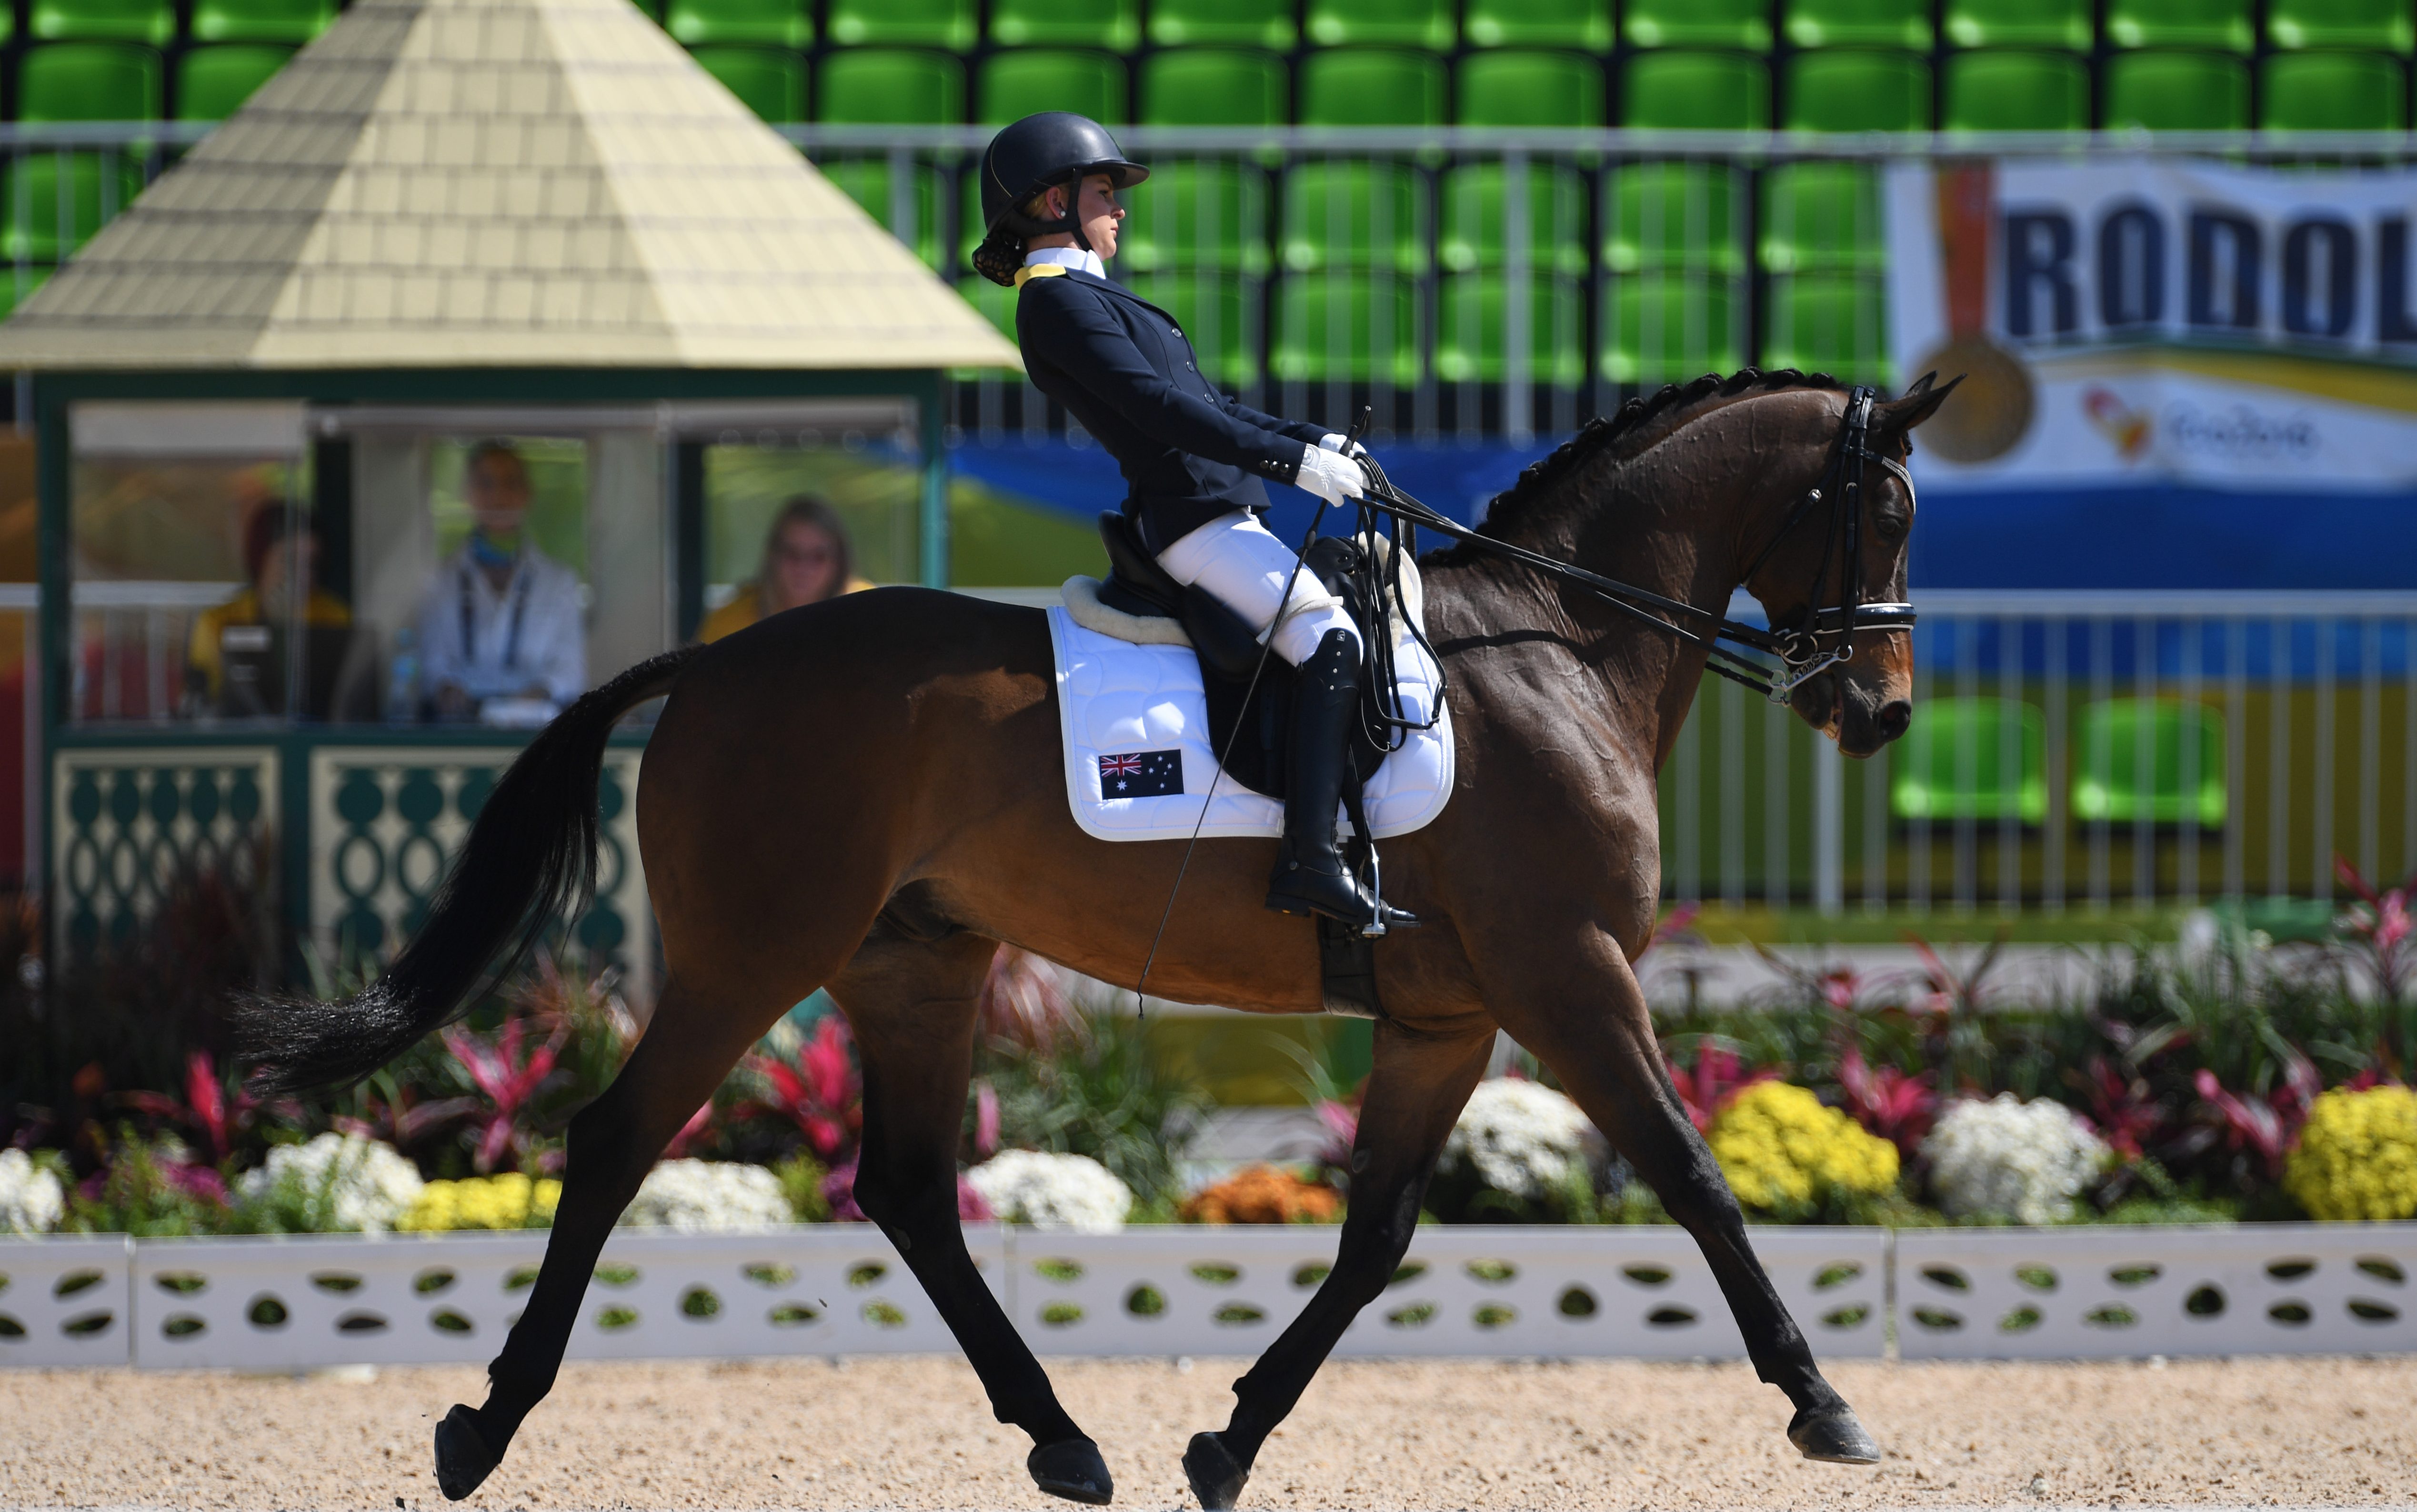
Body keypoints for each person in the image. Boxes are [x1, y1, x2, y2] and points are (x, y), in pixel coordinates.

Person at [973, 112, 1412, 932]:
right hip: (1193, 519)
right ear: (1055, 202)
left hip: (1216, 507)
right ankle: (1311, 859)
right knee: (1331, 639)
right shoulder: (1057, 302)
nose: (1119, 207)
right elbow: (1158, 409)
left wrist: (1313, 440)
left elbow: (1213, 405)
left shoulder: (1089, 294)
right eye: (1103, 191)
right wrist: (1289, 465)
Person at [413, 440, 585, 721]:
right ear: (469, 494)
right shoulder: (439, 582)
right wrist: (447, 691)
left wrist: (537, 695)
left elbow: (570, 671)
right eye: (486, 484)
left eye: (511, 484)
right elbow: (431, 664)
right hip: (459, 727)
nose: (499, 496)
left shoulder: (559, 582)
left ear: (527, 494)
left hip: (537, 727)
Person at [186, 504, 351, 708]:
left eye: (311, 564)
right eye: (289, 562)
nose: (303, 576)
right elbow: (207, 697)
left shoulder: (333, 617)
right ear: (261, 559)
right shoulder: (217, 623)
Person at [698, 494, 873, 643]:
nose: (803, 567)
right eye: (792, 553)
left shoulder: (868, 614)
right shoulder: (728, 628)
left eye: (818, 556)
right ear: (772, 557)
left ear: (839, 562)